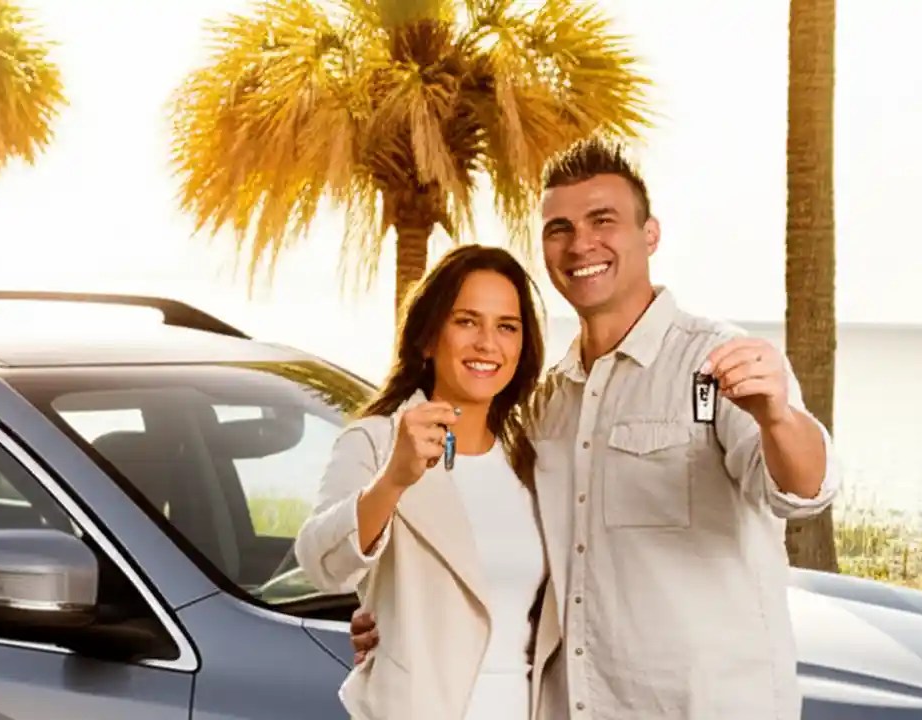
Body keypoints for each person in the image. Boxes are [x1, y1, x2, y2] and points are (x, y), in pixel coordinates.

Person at [350, 137, 841, 720]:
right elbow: (517, 556)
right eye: (559, 228)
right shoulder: (545, 405)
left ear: (649, 234)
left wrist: (778, 417)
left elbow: (803, 492)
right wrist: (403, 622)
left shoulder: (717, 362)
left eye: (602, 220)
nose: (581, 243)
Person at [294, 245, 562, 720]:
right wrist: (393, 481)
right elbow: (323, 564)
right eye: (466, 321)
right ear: (427, 338)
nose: (487, 343)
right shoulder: (375, 441)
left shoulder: (532, 458)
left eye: (506, 326)